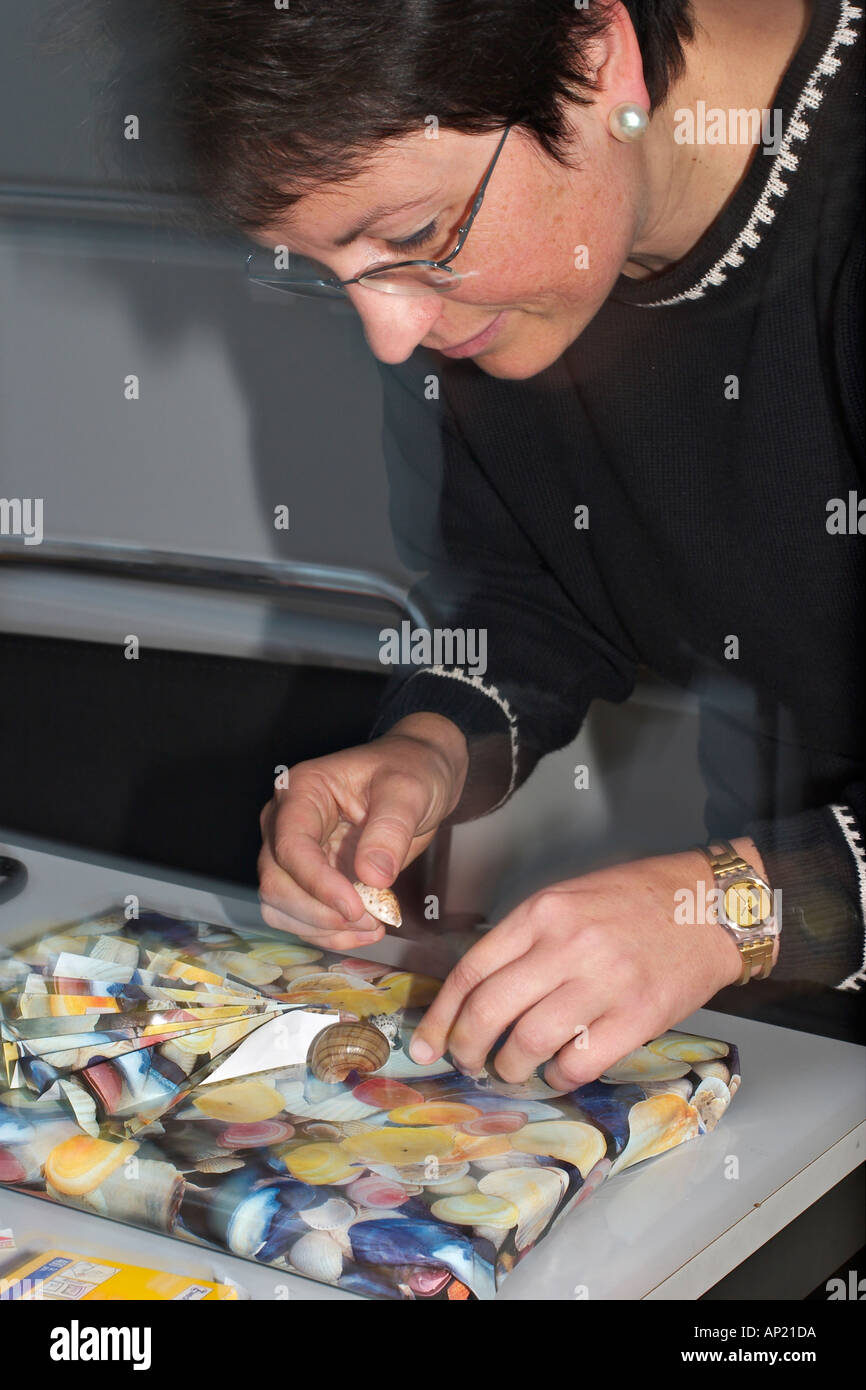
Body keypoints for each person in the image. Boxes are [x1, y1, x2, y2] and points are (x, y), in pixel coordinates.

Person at [175, 0, 863, 1085]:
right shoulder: (522, 278)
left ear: (595, 58)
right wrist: (428, 750)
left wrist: (738, 908)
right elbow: (533, 586)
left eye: (411, 241)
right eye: (328, 271)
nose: (391, 333)